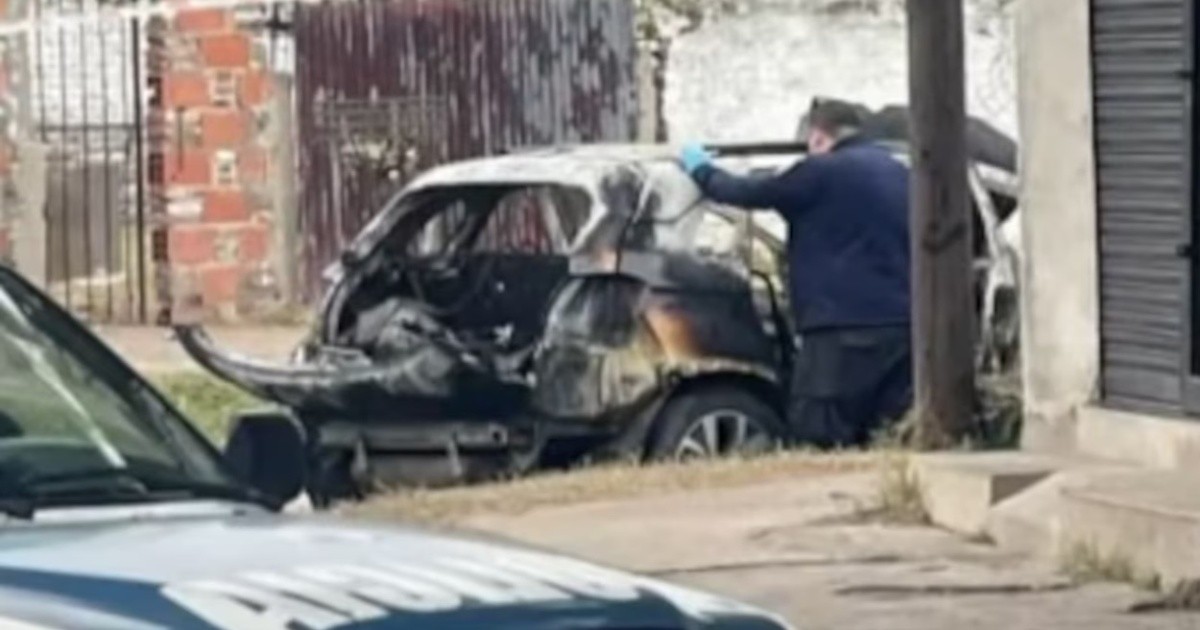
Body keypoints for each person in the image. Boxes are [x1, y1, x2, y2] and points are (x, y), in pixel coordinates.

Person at [678, 98, 913, 447]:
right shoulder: (901, 172)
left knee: (820, 433)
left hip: (840, 330)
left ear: (819, 137)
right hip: (903, 326)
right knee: (888, 435)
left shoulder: (818, 172)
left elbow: (744, 192)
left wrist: (701, 171)